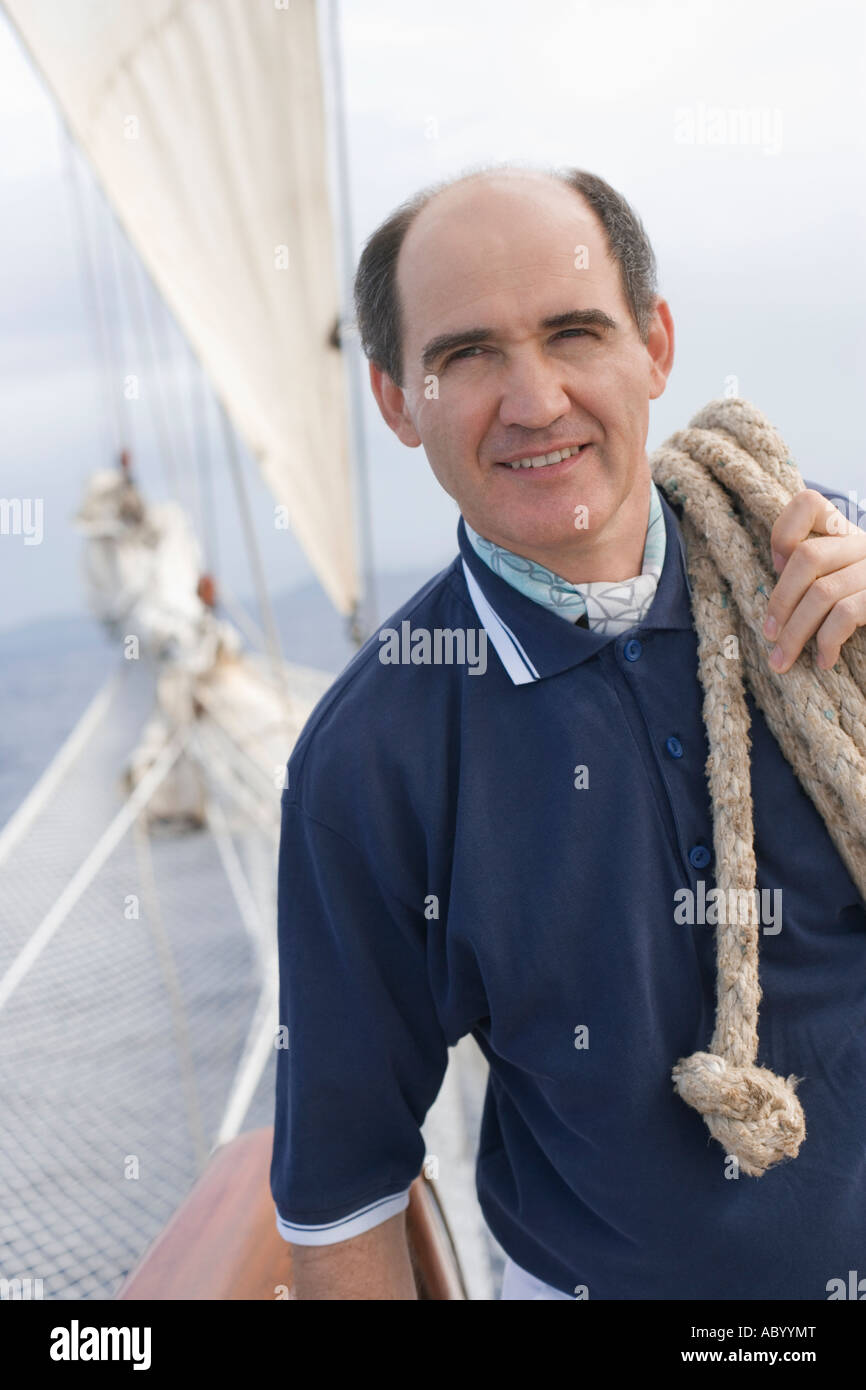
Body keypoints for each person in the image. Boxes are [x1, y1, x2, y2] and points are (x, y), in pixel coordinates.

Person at [269, 164, 866, 1300]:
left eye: (573, 332)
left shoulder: (826, 573)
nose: (534, 400)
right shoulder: (369, 761)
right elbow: (340, 1197)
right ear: (396, 399)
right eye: (466, 355)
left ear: (653, 345)